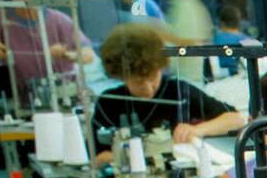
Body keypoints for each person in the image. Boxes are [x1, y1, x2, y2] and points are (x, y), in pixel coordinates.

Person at [92, 23, 244, 165]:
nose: (148, 88)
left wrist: (197, 130)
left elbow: (235, 119)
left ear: (160, 67)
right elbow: (96, 157)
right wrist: (134, 155)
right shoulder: (109, 102)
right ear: (122, 77)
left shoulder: (177, 90)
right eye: (138, 82)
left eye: (152, 78)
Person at [154, 0, 213, 81]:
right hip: (179, 77)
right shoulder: (179, 4)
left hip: (187, 80)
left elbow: (191, 42)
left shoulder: (187, 5)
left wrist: (162, 34)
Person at [213, 5, 248, 76]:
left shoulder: (215, 40)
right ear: (239, 22)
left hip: (219, 81)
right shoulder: (249, 41)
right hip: (244, 81)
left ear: (221, 23)